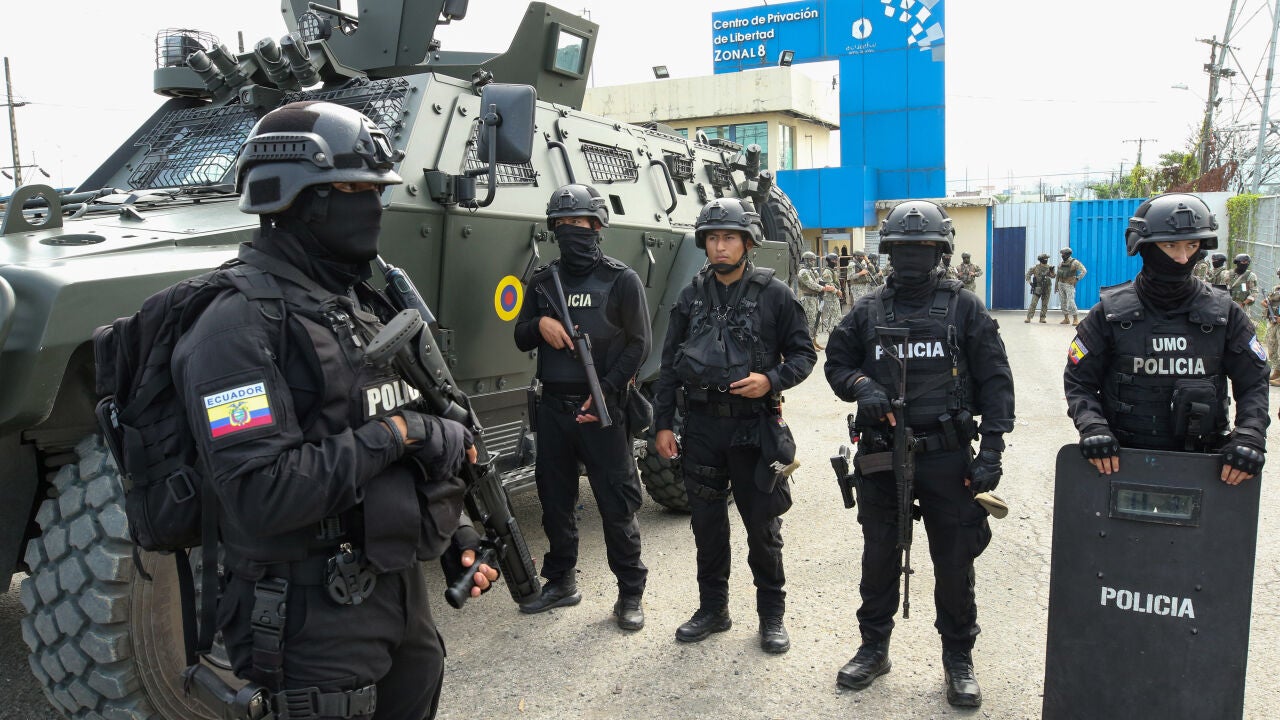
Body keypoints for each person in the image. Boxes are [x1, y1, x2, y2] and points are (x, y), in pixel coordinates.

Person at [173, 101, 497, 720]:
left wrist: (452, 530)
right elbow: (262, 493)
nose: (375, 206)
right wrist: (403, 433)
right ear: (302, 198)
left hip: (388, 589)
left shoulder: (351, 303)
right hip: (303, 615)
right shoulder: (234, 327)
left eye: (376, 189)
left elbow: (366, 422)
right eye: (357, 189)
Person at [825, 200, 1015, 708]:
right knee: (879, 554)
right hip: (882, 454)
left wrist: (992, 450)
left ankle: (958, 658)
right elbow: (836, 363)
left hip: (947, 454)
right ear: (888, 251)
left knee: (954, 560)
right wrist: (863, 384)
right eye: (903, 249)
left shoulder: (965, 308)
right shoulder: (867, 309)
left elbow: (997, 383)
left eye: (923, 248)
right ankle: (873, 648)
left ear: (940, 251)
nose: (912, 257)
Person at [653, 197, 816, 654]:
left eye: (728, 238)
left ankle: (771, 618)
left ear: (747, 242)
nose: (719, 246)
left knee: (762, 528)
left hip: (753, 430)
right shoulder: (689, 295)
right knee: (706, 526)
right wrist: (662, 425)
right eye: (712, 238)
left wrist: (771, 380)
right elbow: (668, 367)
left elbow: (804, 355)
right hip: (701, 427)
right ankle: (713, 609)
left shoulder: (775, 294)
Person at [513, 183, 650, 630]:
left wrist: (606, 389)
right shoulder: (542, 280)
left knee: (616, 504)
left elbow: (639, 345)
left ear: (598, 227)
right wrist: (541, 323)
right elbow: (520, 337)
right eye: (565, 224)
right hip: (553, 407)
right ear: (554, 229)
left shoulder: (621, 279)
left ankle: (630, 594)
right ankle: (561, 582)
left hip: (603, 409)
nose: (575, 231)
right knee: (555, 500)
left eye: (583, 224)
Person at [1064, 192, 1266, 488]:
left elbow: (1254, 383)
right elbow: (1079, 381)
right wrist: (1093, 427)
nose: (1183, 258)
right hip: (1121, 462)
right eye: (1170, 245)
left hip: (1205, 466)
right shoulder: (1109, 313)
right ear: (1143, 247)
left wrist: (1250, 434)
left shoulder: (1225, 314)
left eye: (1192, 245)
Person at [798, 251, 825, 350]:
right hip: (808, 298)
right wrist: (822, 288)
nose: (813, 262)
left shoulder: (813, 271)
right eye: (811, 260)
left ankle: (814, 341)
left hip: (815, 298)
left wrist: (823, 286)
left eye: (814, 260)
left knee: (818, 321)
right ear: (805, 260)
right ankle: (810, 344)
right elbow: (810, 283)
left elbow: (819, 280)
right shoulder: (803, 272)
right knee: (810, 321)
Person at [1054, 247, 1087, 325]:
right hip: (1061, 284)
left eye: (1063, 254)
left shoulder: (1074, 262)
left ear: (1068, 254)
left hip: (1069, 285)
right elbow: (1058, 275)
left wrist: (1077, 278)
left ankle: (1075, 319)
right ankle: (1066, 319)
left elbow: (1084, 271)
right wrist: (1056, 286)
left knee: (1071, 301)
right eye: (1062, 254)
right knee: (1063, 302)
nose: (1062, 255)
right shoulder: (1061, 263)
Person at [1261, 269, 1280, 386]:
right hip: (1273, 322)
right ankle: (1277, 371)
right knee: (1272, 347)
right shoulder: (1276, 289)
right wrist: (1266, 304)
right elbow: (1267, 300)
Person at [1025, 253, 1055, 323]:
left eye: (1047, 259)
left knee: (1045, 303)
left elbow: (1053, 276)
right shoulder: (1035, 267)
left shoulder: (1049, 267)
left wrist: (1051, 272)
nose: (1046, 260)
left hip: (1047, 287)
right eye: (1044, 259)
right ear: (1041, 260)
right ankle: (1029, 317)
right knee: (1033, 303)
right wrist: (1030, 283)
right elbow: (1027, 275)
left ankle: (1042, 318)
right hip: (1038, 287)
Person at [821, 252, 846, 332]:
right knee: (834, 316)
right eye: (835, 260)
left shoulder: (832, 270)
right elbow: (828, 286)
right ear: (831, 261)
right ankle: (832, 333)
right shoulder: (827, 272)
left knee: (834, 316)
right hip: (830, 297)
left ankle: (832, 332)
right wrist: (837, 291)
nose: (836, 262)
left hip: (834, 296)